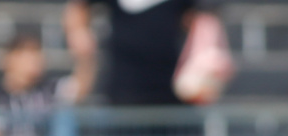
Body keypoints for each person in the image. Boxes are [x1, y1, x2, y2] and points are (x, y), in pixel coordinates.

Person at [65, 0, 224, 106]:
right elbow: (78, 8)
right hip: (123, 93)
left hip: (172, 93)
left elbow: (201, 19)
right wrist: (78, 33)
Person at [0, 20, 97, 136]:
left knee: (64, 116)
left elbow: (80, 88)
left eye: (37, 52)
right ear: (9, 59)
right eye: (28, 53)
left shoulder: (49, 90)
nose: (35, 59)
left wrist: (85, 57)